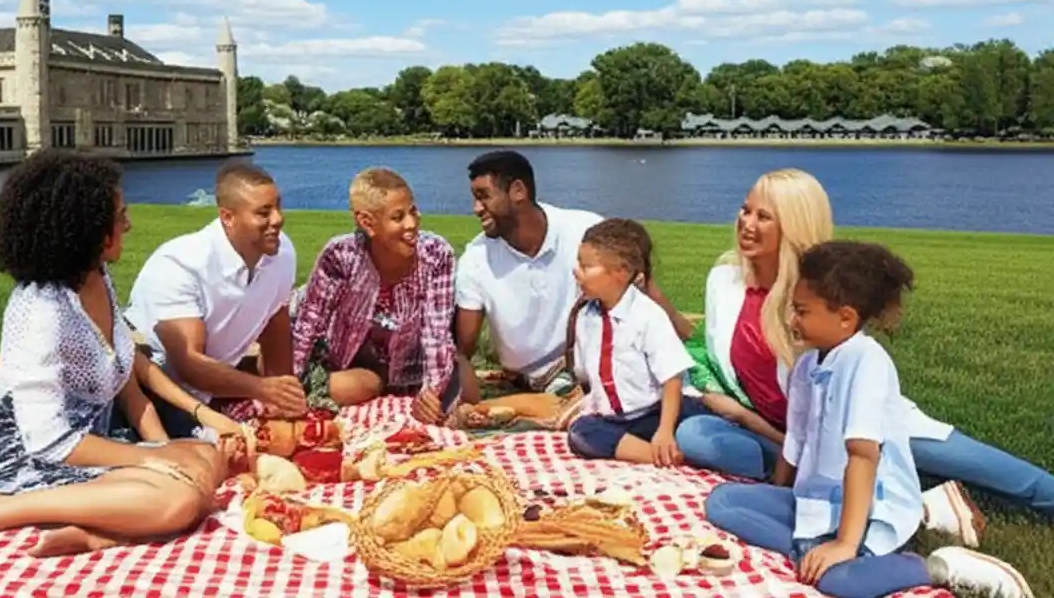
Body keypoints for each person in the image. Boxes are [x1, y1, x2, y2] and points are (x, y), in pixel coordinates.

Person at [675, 168, 1054, 547]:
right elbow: (712, 354)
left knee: (1012, 478)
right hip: (793, 439)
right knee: (696, 436)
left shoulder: (823, 296)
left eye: (763, 216)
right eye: (745, 210)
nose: (747, 223)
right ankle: (911, 501)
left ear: (793, 225)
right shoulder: (724, 281)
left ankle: (907, 496)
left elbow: (849, 385)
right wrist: (738, 412)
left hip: (865, 426)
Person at [0, 149, 234, 557]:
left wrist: (161, 450)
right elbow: (48, 442)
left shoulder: (97, 275)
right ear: (88, 229)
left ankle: (99, 536)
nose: (129, 224)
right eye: (120, 217)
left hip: (91, 450)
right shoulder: (41, 312)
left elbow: (128, 382)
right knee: (182, 499)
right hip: (33, 464)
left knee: (207, 458)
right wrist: (147, 462)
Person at [705, 240, 1033, 598]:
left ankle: (939, 565)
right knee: (722, 503)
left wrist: (845, 543)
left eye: (801, 311)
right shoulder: (806, 366)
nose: (791, 319)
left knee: (839, 583)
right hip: (818, 501)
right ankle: (811, 547)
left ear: (845, 317)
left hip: (870, 508)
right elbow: (796, 443)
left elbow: (863, 455)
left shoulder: (866, 362)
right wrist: (779, 491)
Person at [125, 162, 306, 429]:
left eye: (278, 207)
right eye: (263, 213)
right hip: (152, 393)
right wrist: (262, 388)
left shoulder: (282, 253)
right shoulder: (180, 264)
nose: (278, 219)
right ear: (227, 217)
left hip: (215, 389)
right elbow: (188, 364)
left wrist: (282, 400)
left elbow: (275, 323)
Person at [291, 167, 457, 422]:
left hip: (405, 371)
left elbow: (437, 332)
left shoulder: (436, 255)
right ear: (367, 223)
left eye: (412, 211)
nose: (411, 224)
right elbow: (309, 325)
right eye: (398, 217)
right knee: (363, 385)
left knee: (460, 390)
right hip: (340, 359)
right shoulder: (341, 256)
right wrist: (290, 384)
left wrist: (432, 391)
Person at [449, 150, 603, 417]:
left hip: (591, 367)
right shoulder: (476, 260)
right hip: (530, 381)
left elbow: (635, 292)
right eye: (475, 198)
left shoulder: (585, 230)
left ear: (518, 191)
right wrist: (464, 403)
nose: (476, 209)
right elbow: (462, 348)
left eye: (484, 196)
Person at [565, 219, 710, 465]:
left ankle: (667, 446)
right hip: (619, 419)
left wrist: (664, 429)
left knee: (696, 426)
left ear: (621, 272)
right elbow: (593, 378)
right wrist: (588, 404)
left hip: (658, 411)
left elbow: (672, 377)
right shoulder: (586, 317)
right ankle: (663, 456)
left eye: (586, 266)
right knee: (581, 432)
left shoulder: (647, 316)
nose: (576, 271)